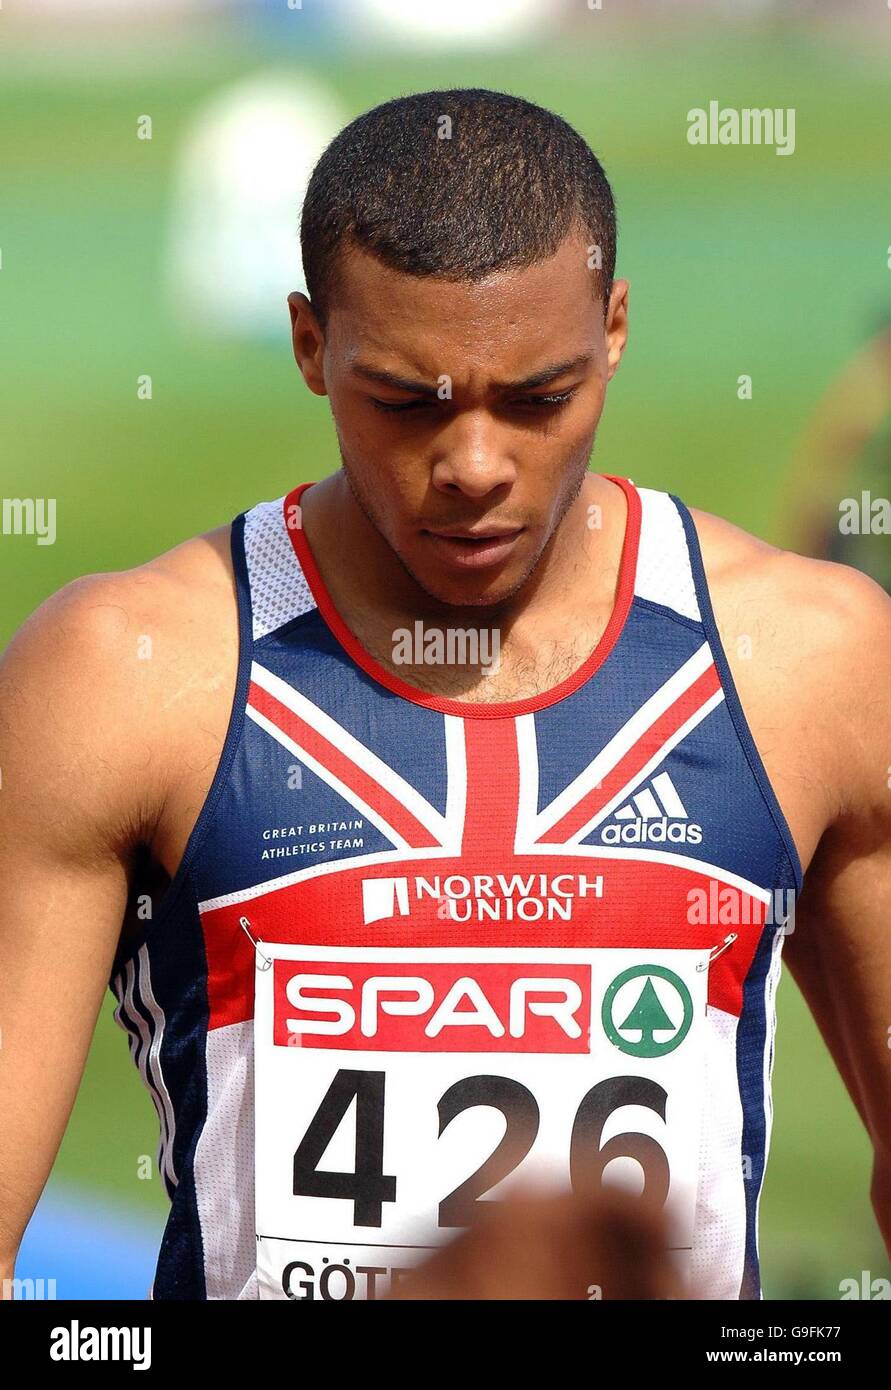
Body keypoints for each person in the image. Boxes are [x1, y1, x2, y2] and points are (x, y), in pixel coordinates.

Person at [1, 88, 889, 1303]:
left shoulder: (819, 664)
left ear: (615, 329)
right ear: (311, 345)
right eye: (409, 402)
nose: (475, 468)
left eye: (538, 398)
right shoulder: (121, 673)